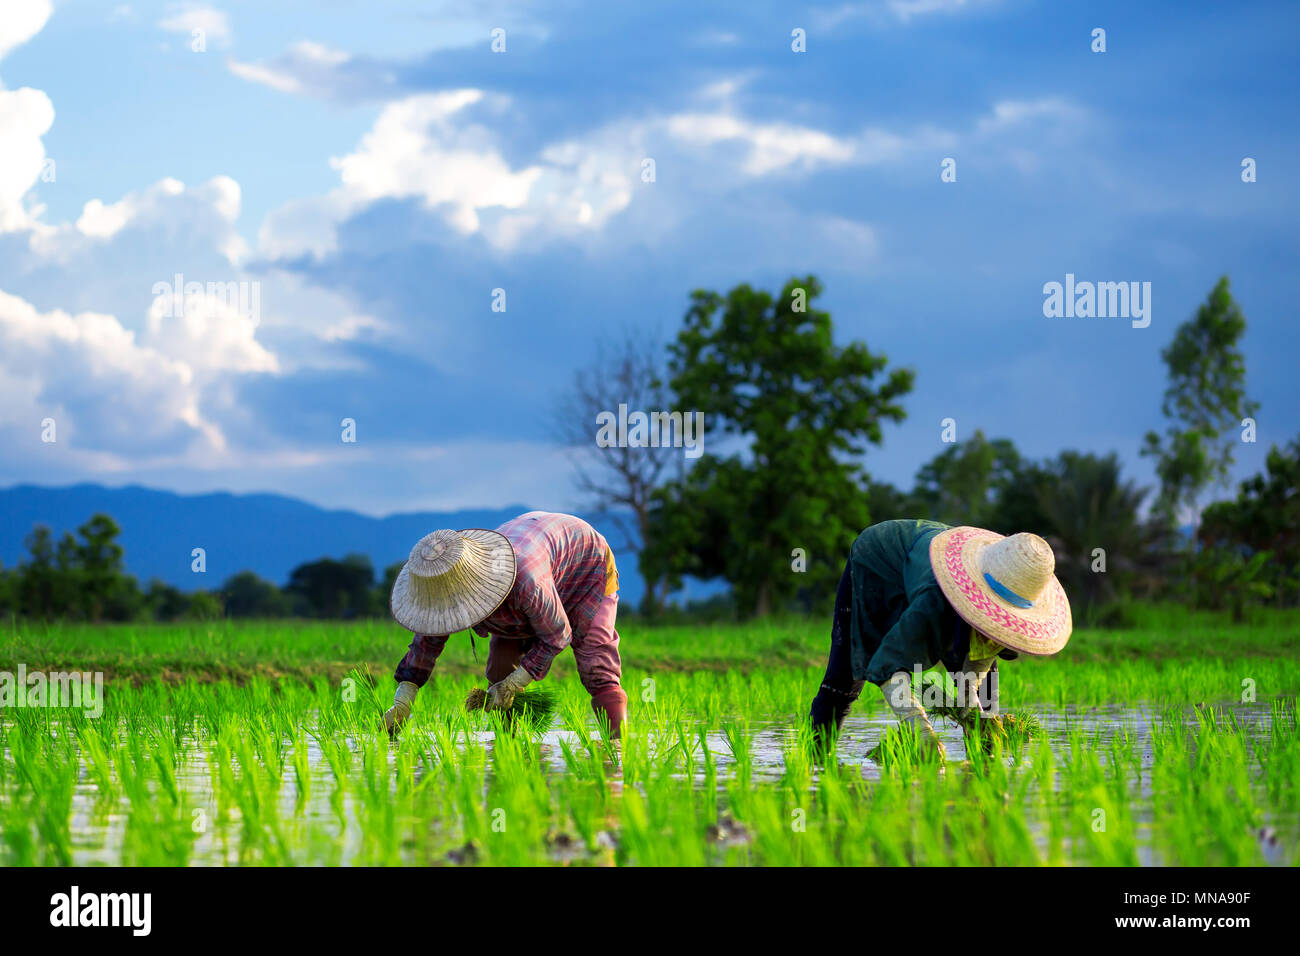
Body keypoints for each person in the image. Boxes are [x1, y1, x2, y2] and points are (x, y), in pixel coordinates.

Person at [808, 519, 1073, 763]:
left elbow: (978, 667)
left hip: (925, 560)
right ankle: (816, 764)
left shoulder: (1014, 593)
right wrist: (920, 730)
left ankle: (984, 772)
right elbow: (887, 666)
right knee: (843, 680)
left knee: (986, 698)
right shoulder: (935, 603)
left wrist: (978, 715)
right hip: (879, 562)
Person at [383, 511, 627, 739]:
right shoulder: (448, 580)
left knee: (596, 662)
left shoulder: (526, 582)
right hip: (530, 574)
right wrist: (404, 698)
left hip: (584, 562)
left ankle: (617, 749)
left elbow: (557, 635)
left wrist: (514, 684)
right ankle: (508, 749)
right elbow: (429, 639)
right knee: (500, 670)